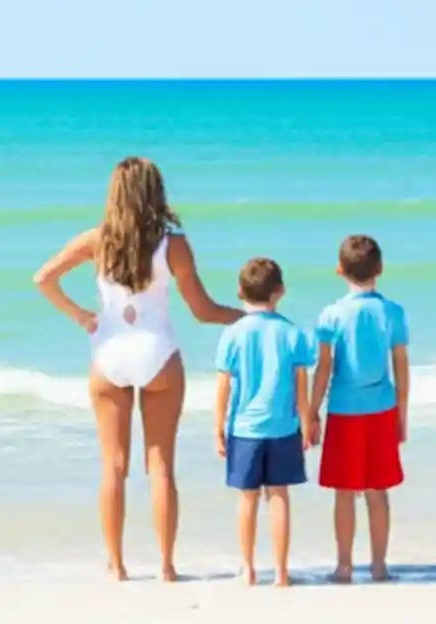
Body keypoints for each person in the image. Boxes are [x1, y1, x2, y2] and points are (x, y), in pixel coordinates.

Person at [34, 156, 243, 582]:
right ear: (155, 192)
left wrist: (81, 317)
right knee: (161, 465)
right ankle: (166, 567)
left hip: (108, 356)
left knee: (112, 466)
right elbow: (202, 311)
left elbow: (43, 278)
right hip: (159, 355)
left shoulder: (97, 240)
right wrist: (244, 318)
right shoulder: (174, 244)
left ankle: (116, 566)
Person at [309, 234, 410, 583]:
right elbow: (400, 366)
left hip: (344, 410)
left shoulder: (331, 315)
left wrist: (311, 411)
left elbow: (323, 368)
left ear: (339, 270)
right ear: (380, 269)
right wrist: (402, 413)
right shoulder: (392, 312)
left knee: (344, 492)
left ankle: (345, 566)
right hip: (381, 407)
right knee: (377, 491)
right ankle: (379, 565)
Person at [214, 257, 315, 587]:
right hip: (283, 427)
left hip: (244, 428)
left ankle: (248, 568)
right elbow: (301, 385)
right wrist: (308, 419)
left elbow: (224, 386)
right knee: (279, 496)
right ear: (280, 291)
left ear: (240, 291)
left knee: (247, 497)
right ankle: (282, 572)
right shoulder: (292, 333)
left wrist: (219, 426)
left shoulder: (232, 334)